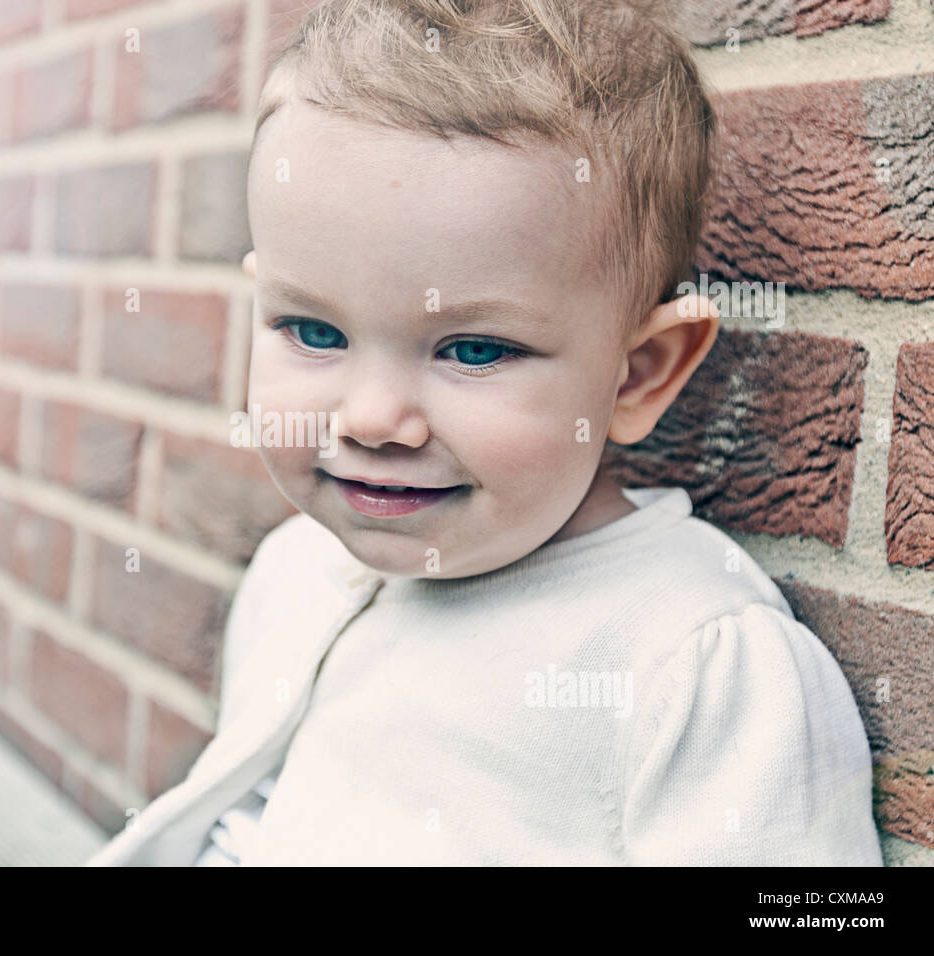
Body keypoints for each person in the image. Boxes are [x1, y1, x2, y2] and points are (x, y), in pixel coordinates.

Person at [86, 0, 883, 866]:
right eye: (313, 332)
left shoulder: (696, 667)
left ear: (640, 373)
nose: (372, 420)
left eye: (473, 349)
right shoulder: (298, 566)